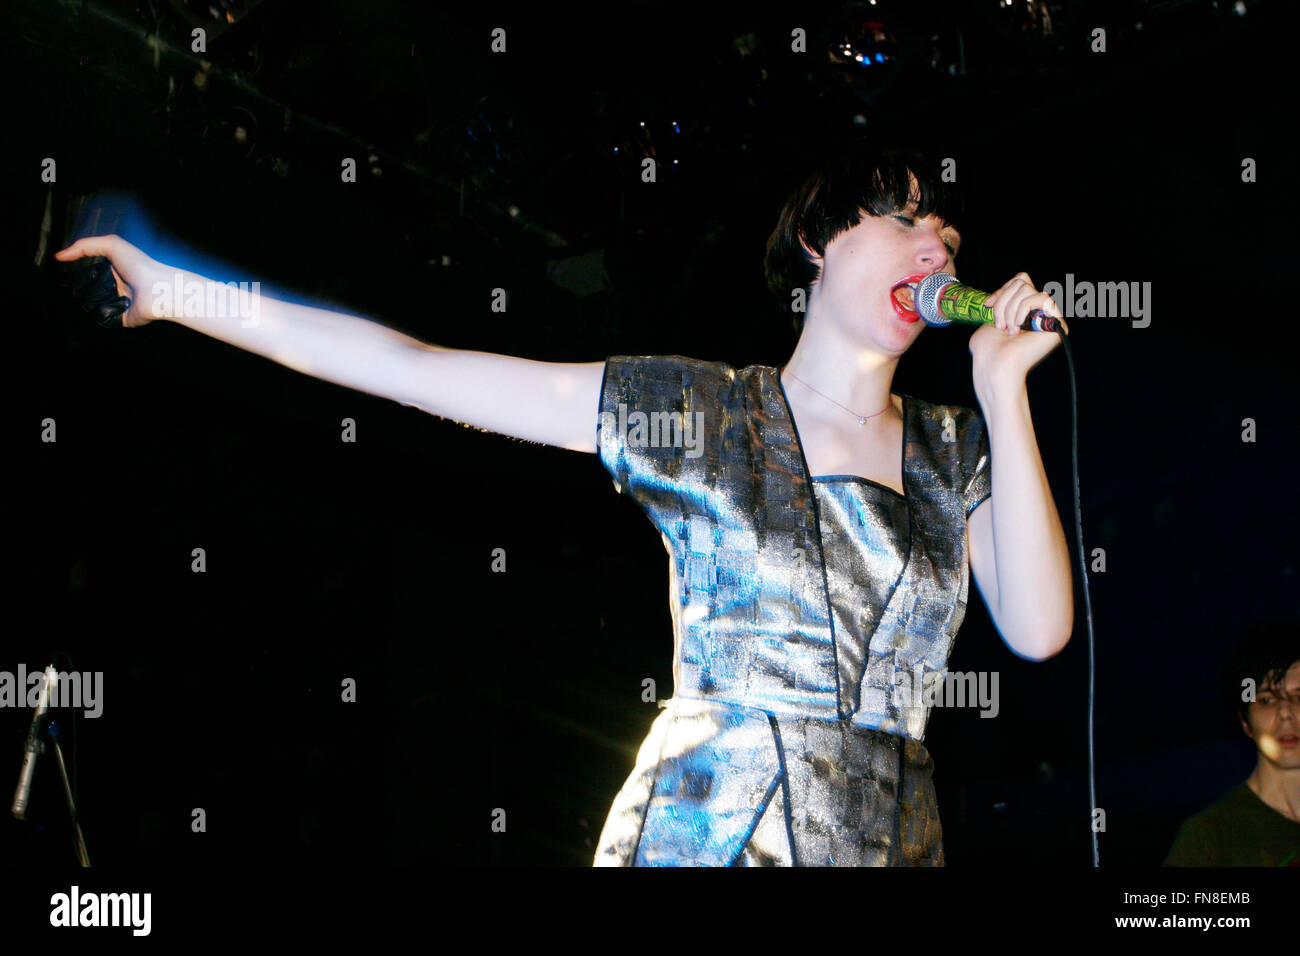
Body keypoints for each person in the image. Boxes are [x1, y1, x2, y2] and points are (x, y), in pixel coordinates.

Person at [55, 144, 1074, 866]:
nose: (936, 246)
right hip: (713, 828)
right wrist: (184, 293)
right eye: (903, 219)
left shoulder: (957, 447)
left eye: (944, 234)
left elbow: (1035, 629)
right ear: (815, 240)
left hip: (891, 836)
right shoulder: (701, 411)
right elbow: (417, 368)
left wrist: (1002, 391)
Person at [1164, 621, 1300, 866]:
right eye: (1267, 700)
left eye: (1299, 697)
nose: (1285, 712)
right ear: (1245, 721)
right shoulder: (1209, 837)